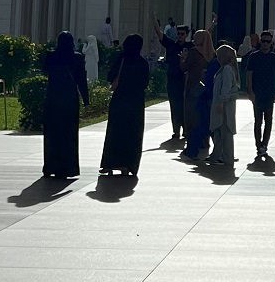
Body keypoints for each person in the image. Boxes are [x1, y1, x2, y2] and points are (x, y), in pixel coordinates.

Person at [99, 33, 150, 176]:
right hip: (135, 102)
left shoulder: (121, 59)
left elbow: (110, 76)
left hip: (120, 100)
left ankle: (110, 163)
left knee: (115, 132)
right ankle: (129, 164)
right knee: (133, 133)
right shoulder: (142, 63)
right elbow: (145, 83)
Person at [41, 31, 87, 179]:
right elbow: (81, 80)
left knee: (52, 132)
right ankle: (67, 167)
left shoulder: (51, 56)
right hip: (69, 98)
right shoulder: (77, 58)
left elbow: (45, 70)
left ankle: (50, 165)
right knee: (69, 133)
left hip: (53, 97)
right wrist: (86, 99)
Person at [243, 30, 275, 157]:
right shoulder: (254, 56)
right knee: (258, 120)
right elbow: (249, 74)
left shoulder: (274, 58)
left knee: (268, 120)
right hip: (257, 92)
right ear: (260, 41)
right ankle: (258, 145)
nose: (265, 44)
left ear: (271, 43)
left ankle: (265, 144)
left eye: (268, 41)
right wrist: (250, 91)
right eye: (263, 41)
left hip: (270, 92)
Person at [181, 28, 216, 162]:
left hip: (193, 88)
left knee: (191, 116)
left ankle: (192, 145)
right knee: (204, 116)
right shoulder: (212, 54)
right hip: (206, 89)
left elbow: (184, 68)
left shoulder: (193, 53)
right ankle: (204, 142)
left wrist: (182, 59)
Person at [155, 22, 189, 142]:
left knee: (185, 105)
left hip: (185, 80)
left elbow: (204, 37)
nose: (179, 36)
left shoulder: (189, 46)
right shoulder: (171, 45)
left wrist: (212, 25)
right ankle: (176, 130)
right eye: (178, 34)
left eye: (182, 34)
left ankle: (186, 129)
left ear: (186, 35)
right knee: (174, 105)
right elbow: (159, 33)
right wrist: (153, 19)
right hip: (173, 79)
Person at [209, 42, 239, 168]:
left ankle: (225, 157)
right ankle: (219, 156)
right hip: (222, 105)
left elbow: (226, 88)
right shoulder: (226, 69)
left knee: (225, 132)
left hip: (224, 107)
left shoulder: (227, 69)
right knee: (221, 133)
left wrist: (221, 103)